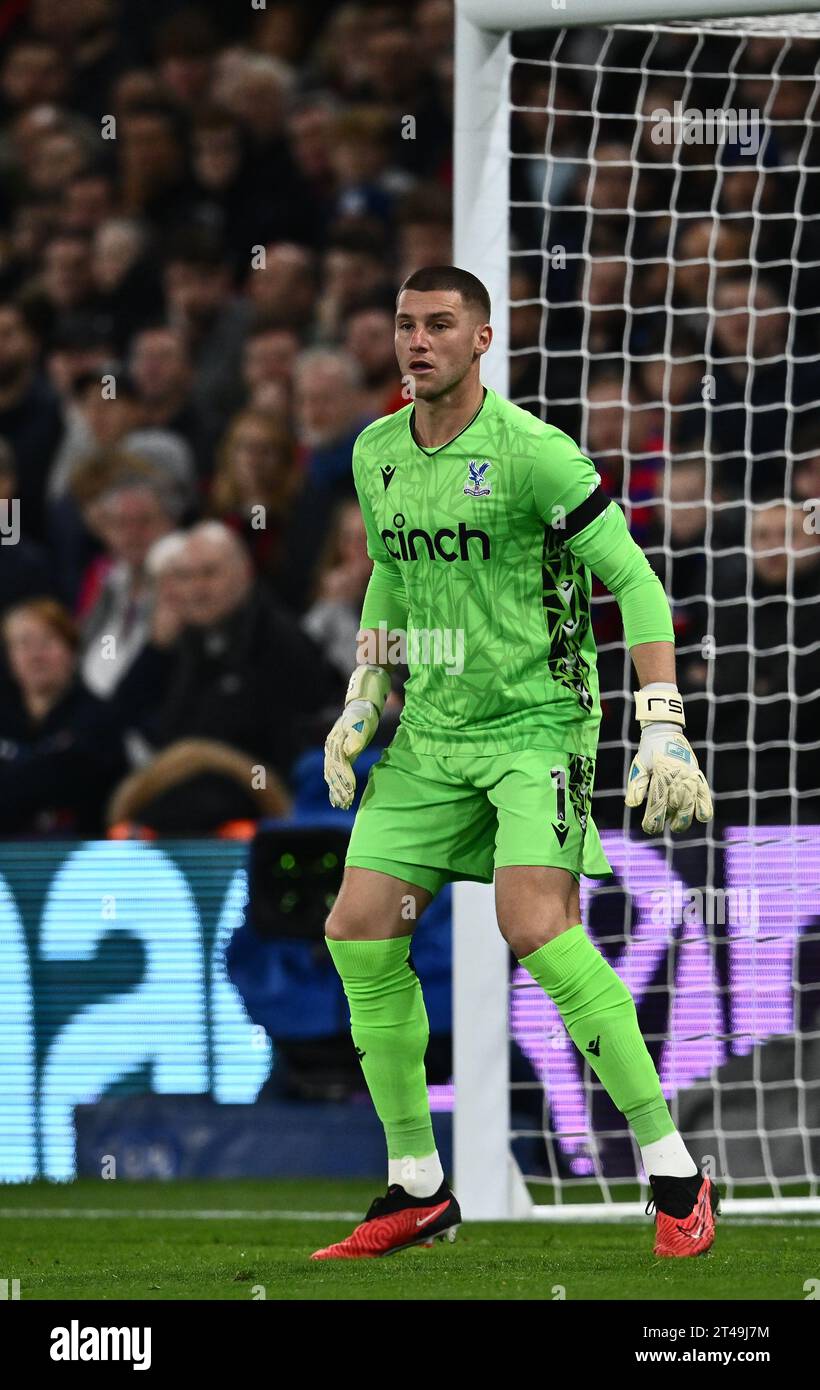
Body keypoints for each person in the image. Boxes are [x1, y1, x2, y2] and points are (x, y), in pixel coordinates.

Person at [315, 265, 716, 1261]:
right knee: (359, 930)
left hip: (538, 724)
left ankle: (670, 1170)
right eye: (405, 324)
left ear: (482, 339)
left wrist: (659, 721)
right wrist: (365, 697)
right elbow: (389, 583)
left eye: (440, 325)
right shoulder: (376, 452)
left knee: (533, 925)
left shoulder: (533, 454)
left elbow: (634, 580)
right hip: (434, 734)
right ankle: (417, 1186)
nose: (418, 342)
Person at [0, 597, 126, 836]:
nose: (37, 654)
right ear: (10, 658)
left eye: (47, 642)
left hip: (81, 855)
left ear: (71, 650)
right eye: (24, 644)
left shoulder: (99, 718)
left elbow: (81, 786)